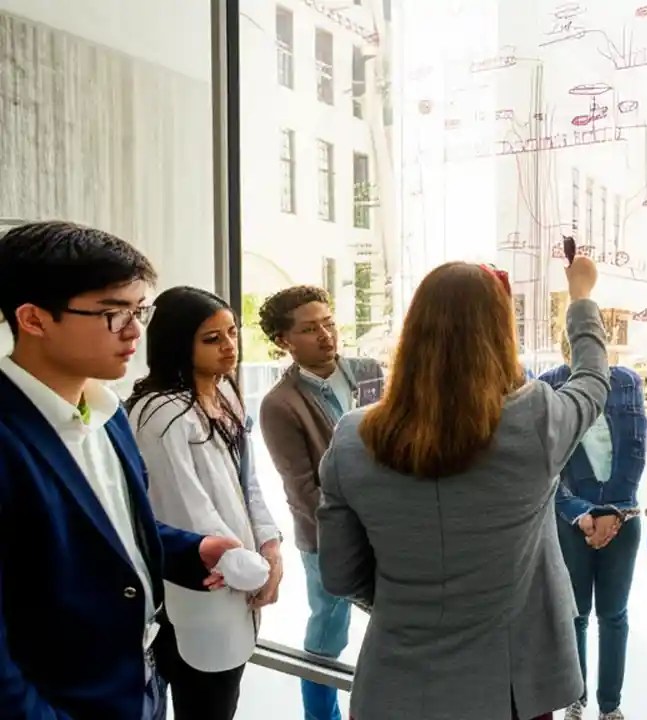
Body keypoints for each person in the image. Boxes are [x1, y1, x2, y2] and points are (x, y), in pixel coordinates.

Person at [316, 258, 607, 720]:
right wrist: (581, 298)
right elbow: (591, 382)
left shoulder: (353, 438)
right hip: (509, 691)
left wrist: (409, 596)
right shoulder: (535, 420)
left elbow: (339, 575)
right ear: (501, 336)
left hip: (393, 686)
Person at [0, 221, 239, 720]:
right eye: (112, 314)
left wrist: (190, 549)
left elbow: (109, 528)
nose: (134, 331)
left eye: (139, 311)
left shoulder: (108, 411)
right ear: (34, 318)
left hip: (138, 687)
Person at [127, 286, 284, 720]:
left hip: (240, 578)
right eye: (212, 338)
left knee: (222, 697)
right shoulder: (162, 413)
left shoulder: (224, 393)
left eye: (232, 332)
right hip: (201, 588)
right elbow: (186, 510)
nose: (229, 346)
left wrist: (271, 547)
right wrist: (251, 570)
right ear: (178, 342)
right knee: (205, 702)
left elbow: (249, 484)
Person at [255, 285, 383, 720]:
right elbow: (303, 490)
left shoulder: (368, 371)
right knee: (328, 632)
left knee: (394, 627)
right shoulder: (280, 404)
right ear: (283, 340)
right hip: (327, 536)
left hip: (389, 524)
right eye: (310, 329)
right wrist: (357, 530)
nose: (326, 335)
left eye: (328, 323)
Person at [540, 333, 647, 720]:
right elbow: (548, 464)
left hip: (623, 518)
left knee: (614, 615)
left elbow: (635, 450)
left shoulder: (627, 381)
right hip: (570, 520)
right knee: (575, 614)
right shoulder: (548, 385)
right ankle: (576, 697)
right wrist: (581, 512)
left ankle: (610, 705)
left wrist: (613, 511)